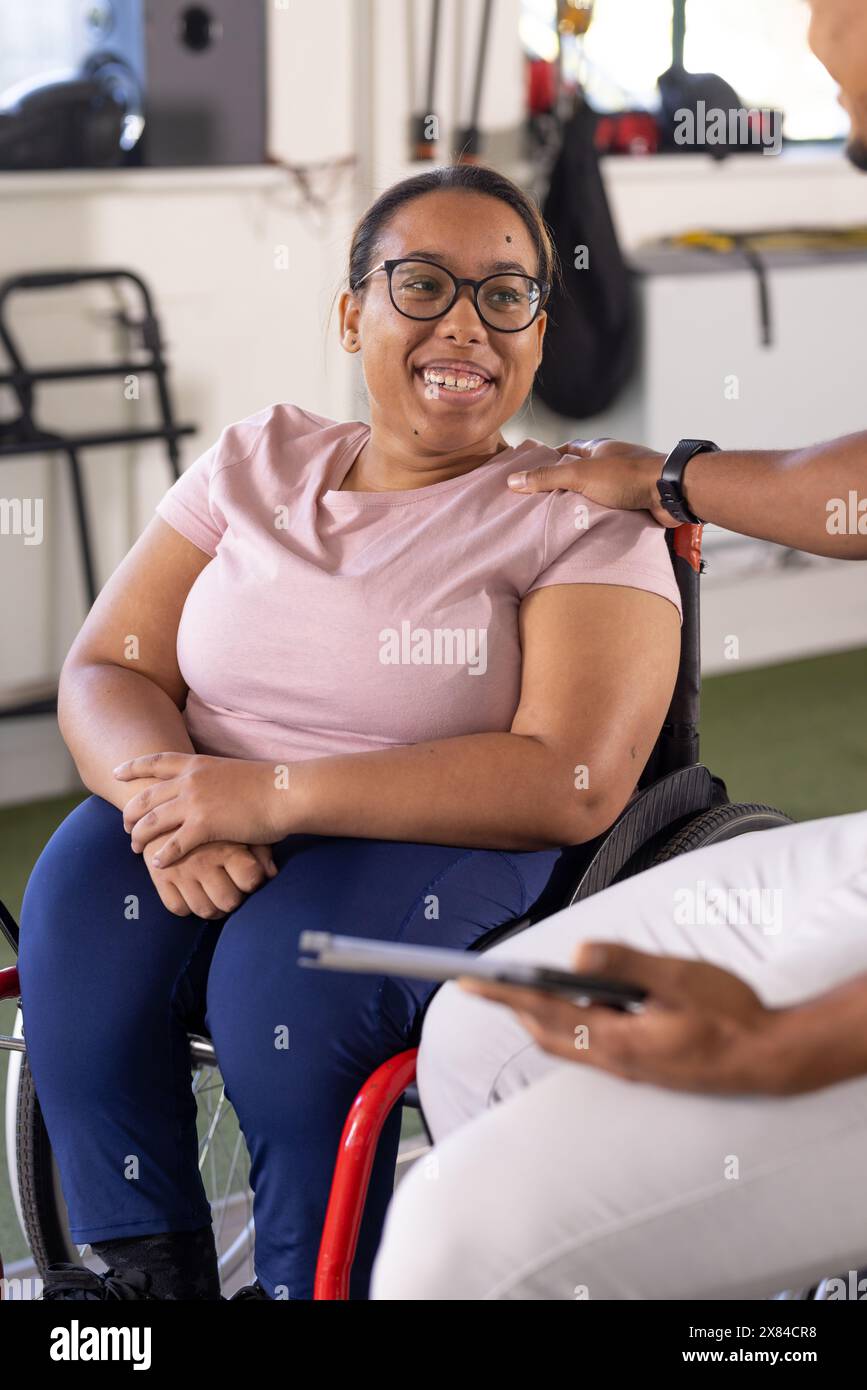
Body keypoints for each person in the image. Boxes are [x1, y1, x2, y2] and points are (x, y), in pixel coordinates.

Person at [17, 162, 684, 1301]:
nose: (465, 324)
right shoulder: (254, 459)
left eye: (506, 294)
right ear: (351, 313)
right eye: (421, 285)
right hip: (210, 801)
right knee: (76, 908)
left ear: (536, 330)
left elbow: (570, 780)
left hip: (441, 838)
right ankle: (144, 1279)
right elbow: (107, 664)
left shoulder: (579, 512)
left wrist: (270, 795)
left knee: (290, 986)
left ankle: (305, 1288)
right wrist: (157, 798)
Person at [369, 0, 867, 1301]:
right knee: (478, 1025)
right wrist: (671, 476)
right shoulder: (263, 467)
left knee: (446, 1245)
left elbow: (575, 781)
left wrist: (784, 1048)